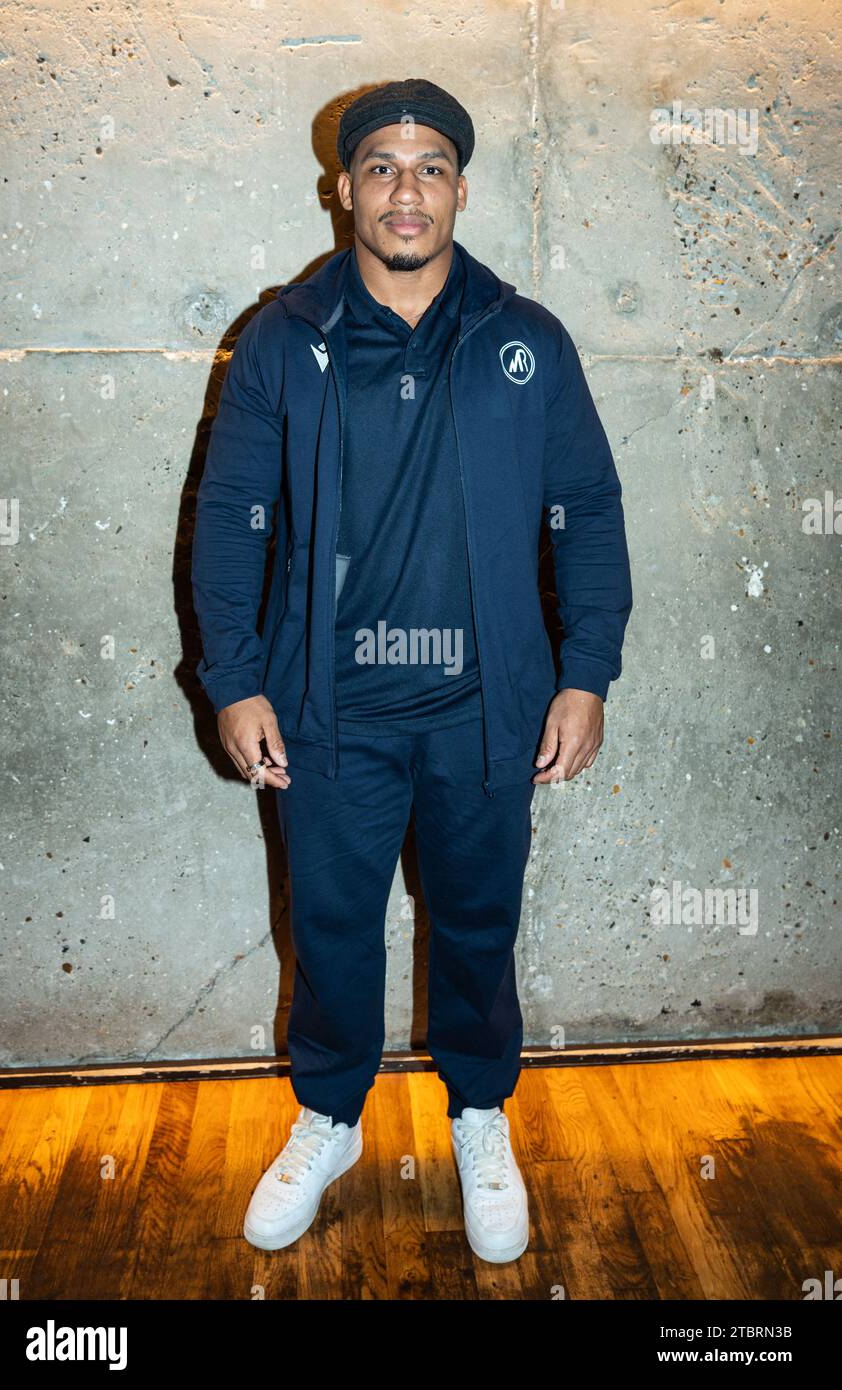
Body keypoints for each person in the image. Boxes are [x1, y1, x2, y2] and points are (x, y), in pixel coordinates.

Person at [191, 78, 633, 1265]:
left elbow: (583, 508)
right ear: (343, 188)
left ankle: (480, 1112)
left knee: (477, 925)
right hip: (327, 713)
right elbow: (231, 512)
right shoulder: (283, 339)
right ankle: (330, 1115)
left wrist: (584, 671)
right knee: (331, 929)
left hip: (485, 709)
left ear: (459, 190)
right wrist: (234, 678)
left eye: (428, 165)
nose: (404, 188)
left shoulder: (522, 339)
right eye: (380, 165)